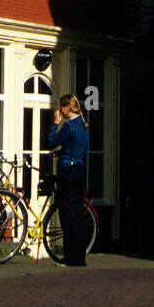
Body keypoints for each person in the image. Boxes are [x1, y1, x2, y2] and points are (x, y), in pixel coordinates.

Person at [48, 94, 90, 267]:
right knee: (77, 213)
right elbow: (82, 149)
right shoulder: (83, 125)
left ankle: (71, 256)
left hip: (67, 171)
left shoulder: (69, 126)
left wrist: (55, 123)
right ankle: (79, 255)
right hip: (79, 169)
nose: (60, 111)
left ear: (66, 108)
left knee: (67, 214)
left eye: (61, 108)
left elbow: (52, 142)